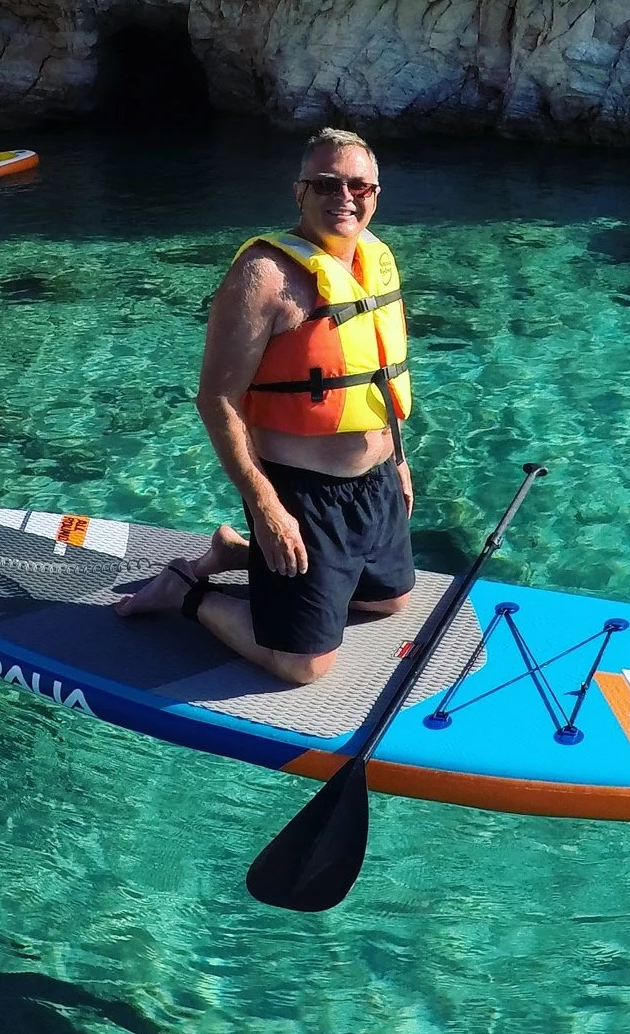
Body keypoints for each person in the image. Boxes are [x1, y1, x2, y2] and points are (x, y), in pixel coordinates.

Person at [117, 127, 414, 684]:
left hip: (374, 482)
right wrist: (268, 510)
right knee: (304, 666)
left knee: (388, 604)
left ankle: (237, 553)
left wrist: (397, 460)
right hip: (305, 495)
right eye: (326, 183)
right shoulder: (264, 276)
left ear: (377, 191)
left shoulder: (373, 261)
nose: (344, 197)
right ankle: (187, 591)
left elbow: (376, 372)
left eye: (359, 185)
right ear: (298, 191)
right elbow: (217, 400)